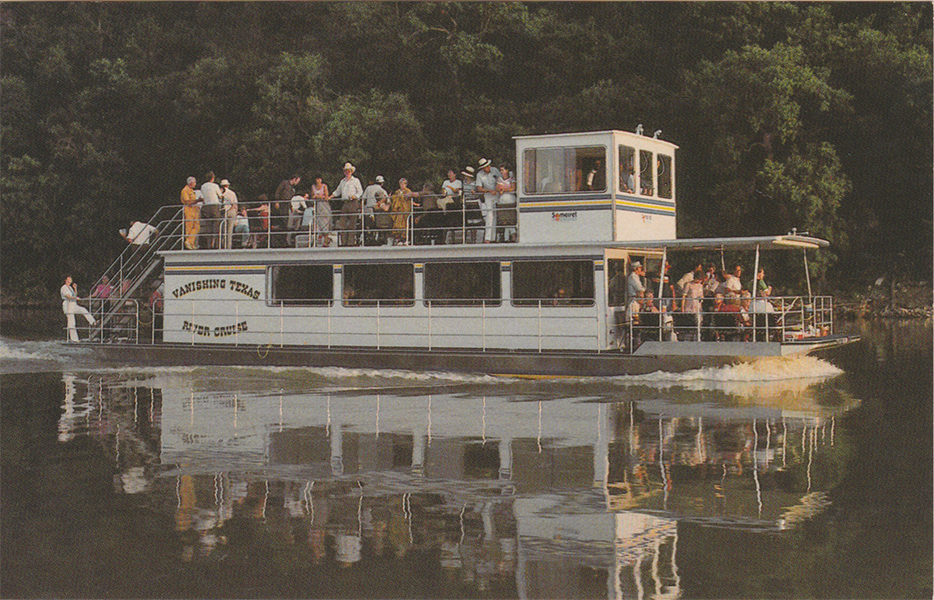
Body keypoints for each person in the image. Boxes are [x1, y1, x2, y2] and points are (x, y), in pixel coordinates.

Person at [331, 163, 364, 247]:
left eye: (348, 171)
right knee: (342, 223)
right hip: (345, 203)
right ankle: (344, 242)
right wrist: (330, 196)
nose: (347, 172)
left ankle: (351, 242)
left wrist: (355, 196)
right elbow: (338, 191)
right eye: (346, 171)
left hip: (353, 202)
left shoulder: (355, 181)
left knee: (352, 223)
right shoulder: (342, 181)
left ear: (351, 171)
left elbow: (360, 191)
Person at [61, 276, 96, 342]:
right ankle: (74, 339)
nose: (69, 280)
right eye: (68, 279)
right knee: (71, 321)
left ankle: (93, 322)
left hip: (73, 304)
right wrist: (75, 298)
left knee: (83, 309)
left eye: (70, 279)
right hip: (68, 304)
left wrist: (75, 288)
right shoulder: (64, 288)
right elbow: (68, 296)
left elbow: (74, 295)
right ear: (65, 280)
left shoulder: (70, 287)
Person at [475, 158, 499, 243]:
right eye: (484, 167)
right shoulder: (479, 175)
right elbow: (479, 188)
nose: (486, 168)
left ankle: (493, 237)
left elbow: (500, 181)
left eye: (487, 166)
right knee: (489, 215)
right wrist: (489, 191)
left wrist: (497, 189)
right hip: (488, 195)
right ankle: (487, 238)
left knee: (496, 215)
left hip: (497, 194)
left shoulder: (495, 171)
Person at [274, 174, 301, 247]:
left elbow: (290, 198)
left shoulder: (292, 188)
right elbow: (278, 191)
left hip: (287, 205)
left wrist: (291, 206)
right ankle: (280, 241)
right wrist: (277, 201)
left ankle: (284, 240)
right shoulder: (284, 183)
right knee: (282, 221)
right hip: (282, 204)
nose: (297, 183)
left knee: (286, 222)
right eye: (297, 181)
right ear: (294, 179)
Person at [390, 178, 415, 245]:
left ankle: (404, 239)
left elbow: (408, 199)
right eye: (401, 183)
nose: (402, 185)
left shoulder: (408, 191)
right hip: (398, 211)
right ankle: (397, 239)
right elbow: (393, 198)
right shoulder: (397, 192)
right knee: (397, 225)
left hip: (405, 210)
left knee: (405, 225)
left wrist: (401, 197)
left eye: (404, 183)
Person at [496, 165, 517, 242]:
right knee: (505, 219)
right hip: (502, 201)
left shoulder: (512, 178)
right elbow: (498, 188)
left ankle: (507, 237)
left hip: (511, 200)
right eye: (500, 170)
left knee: (510, 219)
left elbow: (513, 188)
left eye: (502, 170)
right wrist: (507, 188)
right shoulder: (499, 179)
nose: (501, 172)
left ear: (507, 170)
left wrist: (503, 189)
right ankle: (512, 234)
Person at [310, 175, 331, 247]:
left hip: (324, 206)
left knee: (325, 223)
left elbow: (326, 196)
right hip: (317, 206)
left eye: (319, 179)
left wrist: (320, 196)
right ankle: (316, 241)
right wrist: (315, 197)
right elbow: (312, 196)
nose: (318, 180)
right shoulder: (313, 186)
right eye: (317, 179)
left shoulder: (324, 186)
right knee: (317, 223)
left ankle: (326, 241)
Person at [180, 176, 199, 250]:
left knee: (197, 226)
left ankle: (190, 242)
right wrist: (197, 200)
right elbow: (187, 201)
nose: (195, 184)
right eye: (194, 182)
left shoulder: (191, 190)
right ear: (191, 183)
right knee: (189, 227)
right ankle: (188, 242)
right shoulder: (185, 190)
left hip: (194, 211)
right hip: (189, 211)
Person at [219, 179, 239, 249]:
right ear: (228, 185)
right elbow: (235, 205)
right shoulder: (232, 193)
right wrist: (236, 216)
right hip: (231, 211)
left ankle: (222, 245)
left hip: (223, 211)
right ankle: (228, 247)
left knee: (223, 230)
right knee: (229, 231)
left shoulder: (220, 193)